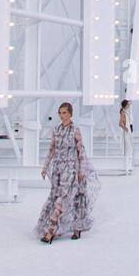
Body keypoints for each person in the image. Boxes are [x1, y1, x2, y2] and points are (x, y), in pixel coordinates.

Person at [36, 103, 100, 243]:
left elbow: (81, 150)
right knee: (59, 198)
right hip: (58, 170)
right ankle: (73, 228)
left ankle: (51, 231)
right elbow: (52, 149)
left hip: (71, 170)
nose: (61, 115)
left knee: (66, 198)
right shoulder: (56, 130)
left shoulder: (75, 130)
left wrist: (82, 170)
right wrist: (45, 167)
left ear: (70, 114)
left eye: (64, 113)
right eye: (60, 113)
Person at [118, 98, 134, 174]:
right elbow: (120, 123)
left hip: (128, 132)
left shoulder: (126, 112)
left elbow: (130, 103)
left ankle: (129, 165)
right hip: (126, 132)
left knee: (130, 147)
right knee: (127, 148)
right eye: (127, 104)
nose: (129, 105)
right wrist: (125, 128)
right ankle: (126, 165)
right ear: (125, 105)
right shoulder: (123, 113)